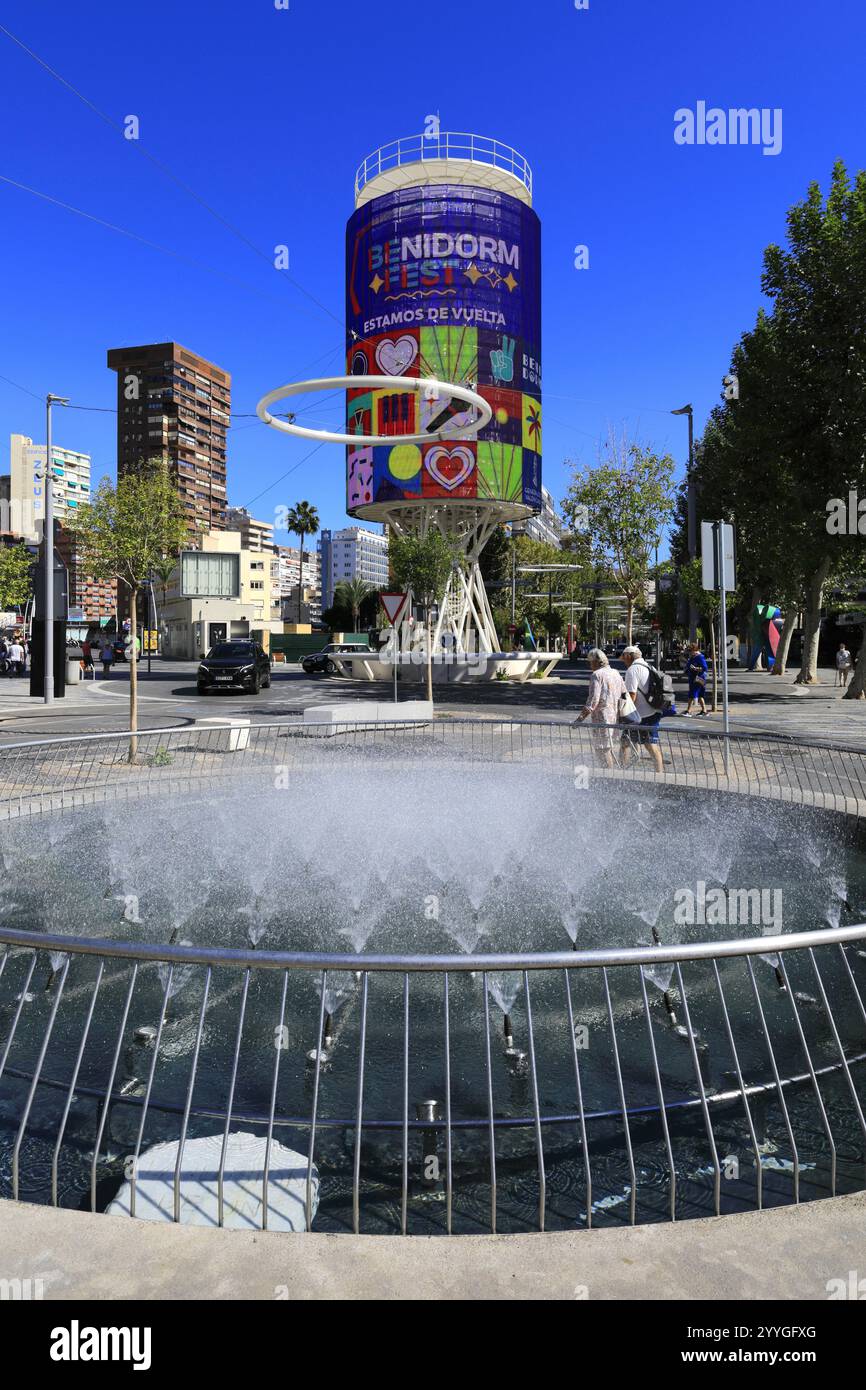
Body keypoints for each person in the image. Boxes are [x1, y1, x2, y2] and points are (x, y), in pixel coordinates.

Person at [573, 647, 630, 768]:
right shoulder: (615, 672)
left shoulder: (596, 675)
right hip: (614, 716)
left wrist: (579, 719)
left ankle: (608, 778)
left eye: (590, 662)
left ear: (596, 662)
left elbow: (593, 701)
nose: (590, 665)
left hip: (601, 718)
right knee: (607, 748)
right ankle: (611, 775)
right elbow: (624, 694)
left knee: (602, 750)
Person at [620, 645, 664, 774]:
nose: (623, 660)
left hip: (640, 715)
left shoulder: (632, 670)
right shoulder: (649, 667)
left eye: (624, 657)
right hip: (653, 711)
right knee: (649, 745)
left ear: (629, 656)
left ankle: (623, 774)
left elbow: (631, 695)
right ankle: (659, 774)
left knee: (626, 744)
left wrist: (624, 713)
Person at [684, 642, 709, 717]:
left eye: (691, 651)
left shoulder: (699, 657)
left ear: (694, 650)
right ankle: (704, 711)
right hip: (693, 678)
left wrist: (695, 668)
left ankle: (688, 711)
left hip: (698, 678)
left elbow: (705, 668)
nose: (690, 653)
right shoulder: (693, 657)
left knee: (692, 694)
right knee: (700, 695)